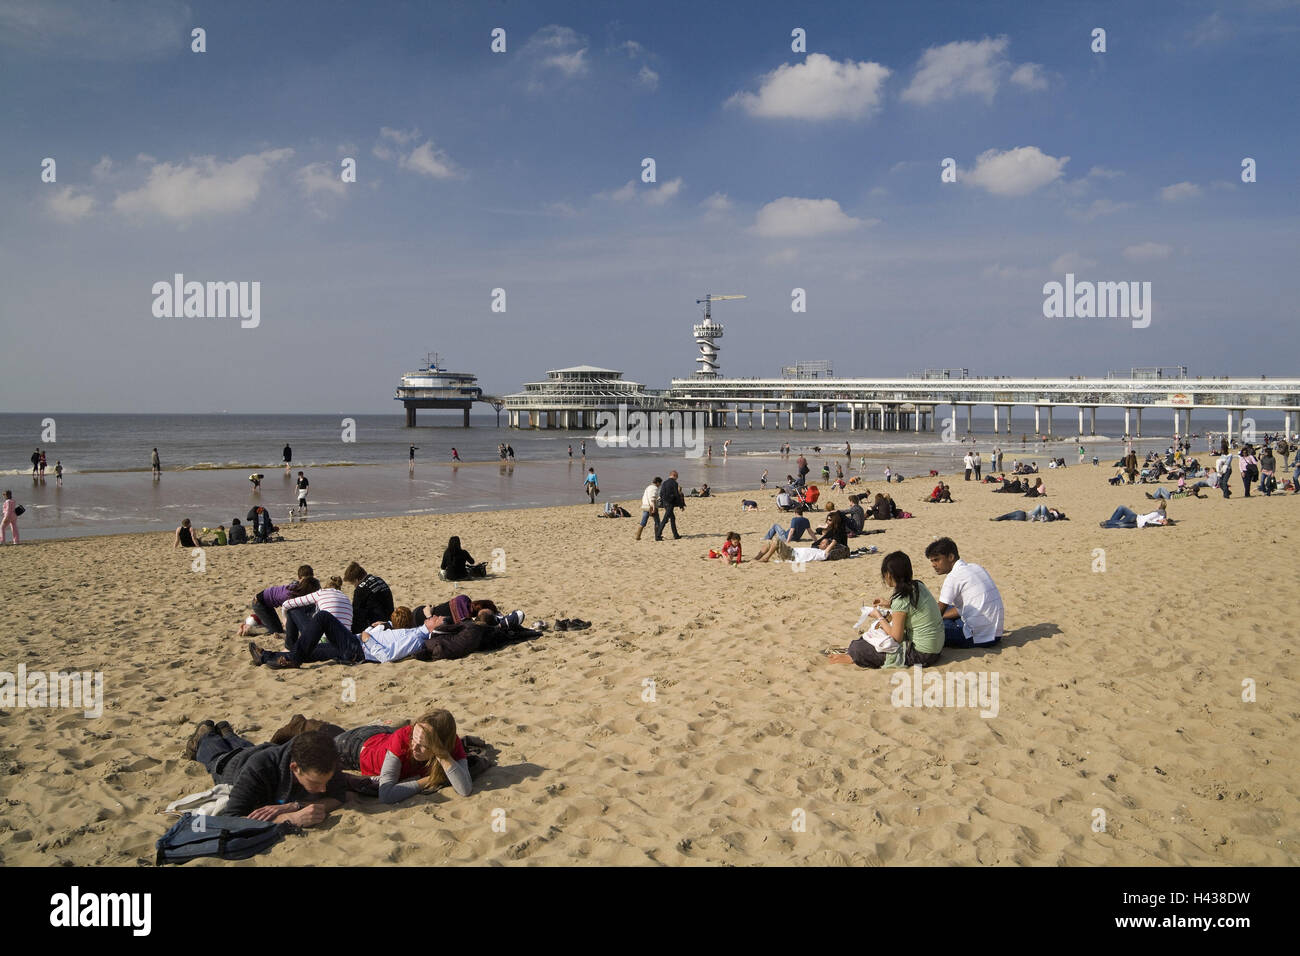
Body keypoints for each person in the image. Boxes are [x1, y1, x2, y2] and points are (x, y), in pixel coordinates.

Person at [184, 724, 345, 825]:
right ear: (295, 768)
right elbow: (232, 818)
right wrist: (289, 818)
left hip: (261, 749)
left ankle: (226, 732)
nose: (324, 789)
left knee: (246, 747)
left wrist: (294, 806)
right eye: (315, 783)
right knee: (213, 756)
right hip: (231, 764)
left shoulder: (326, 759)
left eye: (326, 782)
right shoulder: (260, 769)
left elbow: (338, 796)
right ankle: (206, 733)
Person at [827, 551, 944, 668]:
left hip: (923, 654)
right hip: (936, 648)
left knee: (858, 648)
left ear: (889, 575)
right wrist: (888, 604)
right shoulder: (918, 585)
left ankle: (852, 657)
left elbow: (896, 637)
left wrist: (878, 616)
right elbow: (910, 608)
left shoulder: (901, 598)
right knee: (868, 640)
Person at [333, 710, 473, 803]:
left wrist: (443, 756)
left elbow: (465, 789)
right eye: (414, 738)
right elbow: (386, 795)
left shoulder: (451, 744)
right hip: (356, 746)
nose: (414, 747)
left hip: (386, 735)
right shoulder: (403, 739)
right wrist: (430, 779)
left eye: (423, 745)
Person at [924, 538, 1005, 649]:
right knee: (946, 610)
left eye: (937, 560)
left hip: (977, 638)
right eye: (932, 561)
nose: (933, 565)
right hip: (996, 634)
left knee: (934, 626)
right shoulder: (976, 567)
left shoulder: (953, 577)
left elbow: (936, 615)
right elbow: (962, 608)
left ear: (951, 557)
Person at [344, 562, 394, 635]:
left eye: (353, 583)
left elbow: (357, 616)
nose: (354, 586)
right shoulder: (379, 580)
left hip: (376, 627)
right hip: (390, 621)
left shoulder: (360, 589)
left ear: (357, 580)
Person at [655, 470, 684, 540]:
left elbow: (661, 493)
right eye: (677, 476)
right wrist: (681, 505)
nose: (677, 478)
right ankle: (658, 536)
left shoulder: (664, 483)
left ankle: (676, 535)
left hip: (665, 503)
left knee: (672, 518)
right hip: (670, 503)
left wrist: (663, 502)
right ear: (674, 475)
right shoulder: (674, 483)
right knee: (665, 519)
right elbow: (677, 495)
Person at [1100, 501, 1170, 528]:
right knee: (1121, 510)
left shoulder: (1161, 512)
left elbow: (1163, 520)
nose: (1156, 504)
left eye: (1157, 503)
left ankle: (1107, 523)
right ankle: (1108, 523)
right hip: (1137, 518)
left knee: (1121, 524)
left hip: (1136, 520)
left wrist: (1165, 521)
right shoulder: (1158, 513)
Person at [636, 477, 660, 541]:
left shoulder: (648, 488)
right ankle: (657, 537)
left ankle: (638, 535)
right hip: (652, 507)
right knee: (657, 522)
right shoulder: (655, 488)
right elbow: (653, 499)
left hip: (645, 506)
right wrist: (654, 508)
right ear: (657, 482)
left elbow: (644, 497)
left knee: (643, 522)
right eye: (660, 484)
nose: (660, 485)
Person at [990, 505, 1067, 521]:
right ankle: (997, 519)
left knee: (1007, 516)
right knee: (1007, 517)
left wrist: (1054, 511)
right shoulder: (1041, 511)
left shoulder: (1052, 516)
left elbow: (1060, 516)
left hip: (1024, 515)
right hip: (1023, 515)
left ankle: (997, 519)